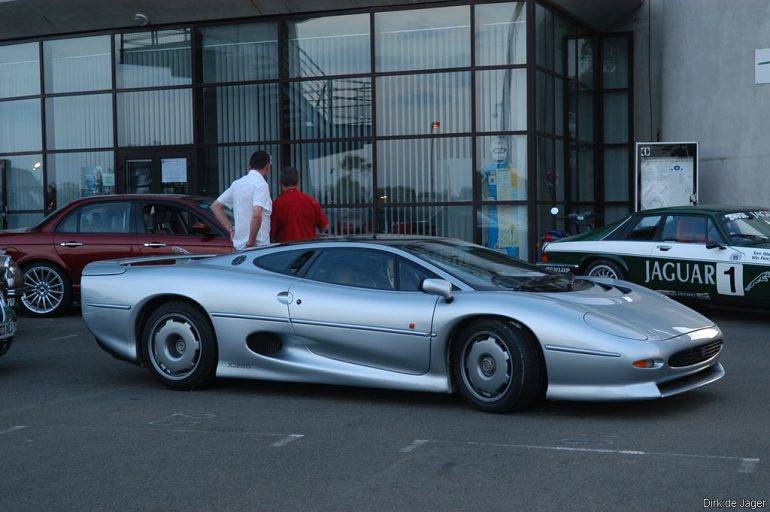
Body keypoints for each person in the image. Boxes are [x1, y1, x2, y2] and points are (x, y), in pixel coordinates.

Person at [211, 150, 272, 250]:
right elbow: (256, 215)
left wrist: (231, 230)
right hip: (257, 247)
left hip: (238, 246)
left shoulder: (237, 184)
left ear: (249, 165)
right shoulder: (261, 185)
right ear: (267, 167)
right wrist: (250, 243)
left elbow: (215, 207)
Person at [270, 166, 328, 242]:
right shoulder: (312, 201)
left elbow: (271, 234)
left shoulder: (277, 204)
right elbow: (325, 227)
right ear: (298, 182)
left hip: (287, 248)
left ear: (280, 183)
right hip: (309, 248)